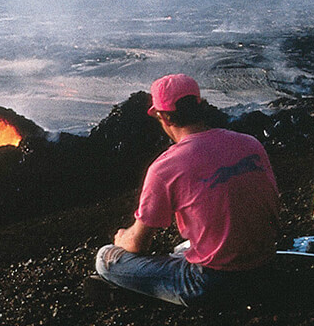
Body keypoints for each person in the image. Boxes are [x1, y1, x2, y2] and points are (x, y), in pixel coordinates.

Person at [93, 73, 281, 306]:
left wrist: (121, 238)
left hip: (211, 282)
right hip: (265, 267)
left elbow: (138, 244)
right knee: (186, 247)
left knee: (105, 259)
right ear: (200, 105)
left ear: (162, 116)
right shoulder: (250, 143)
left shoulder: (165, 167)